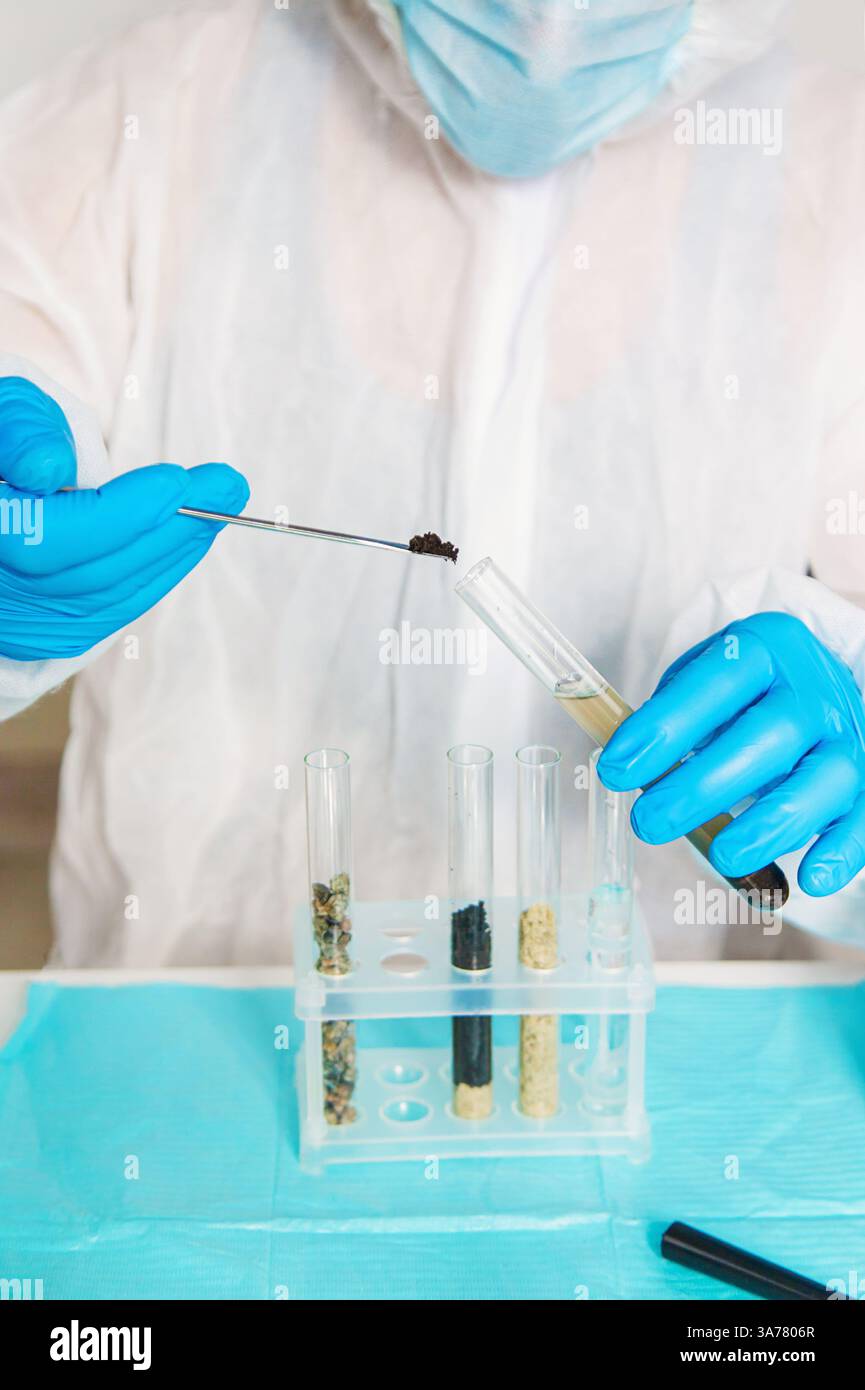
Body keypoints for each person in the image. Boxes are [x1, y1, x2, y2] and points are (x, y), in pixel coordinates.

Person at [1, 0, 864, 965]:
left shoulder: (836, 173)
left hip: (664, 1058)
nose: (549, 20)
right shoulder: (151, 109)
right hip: (211, 1033)